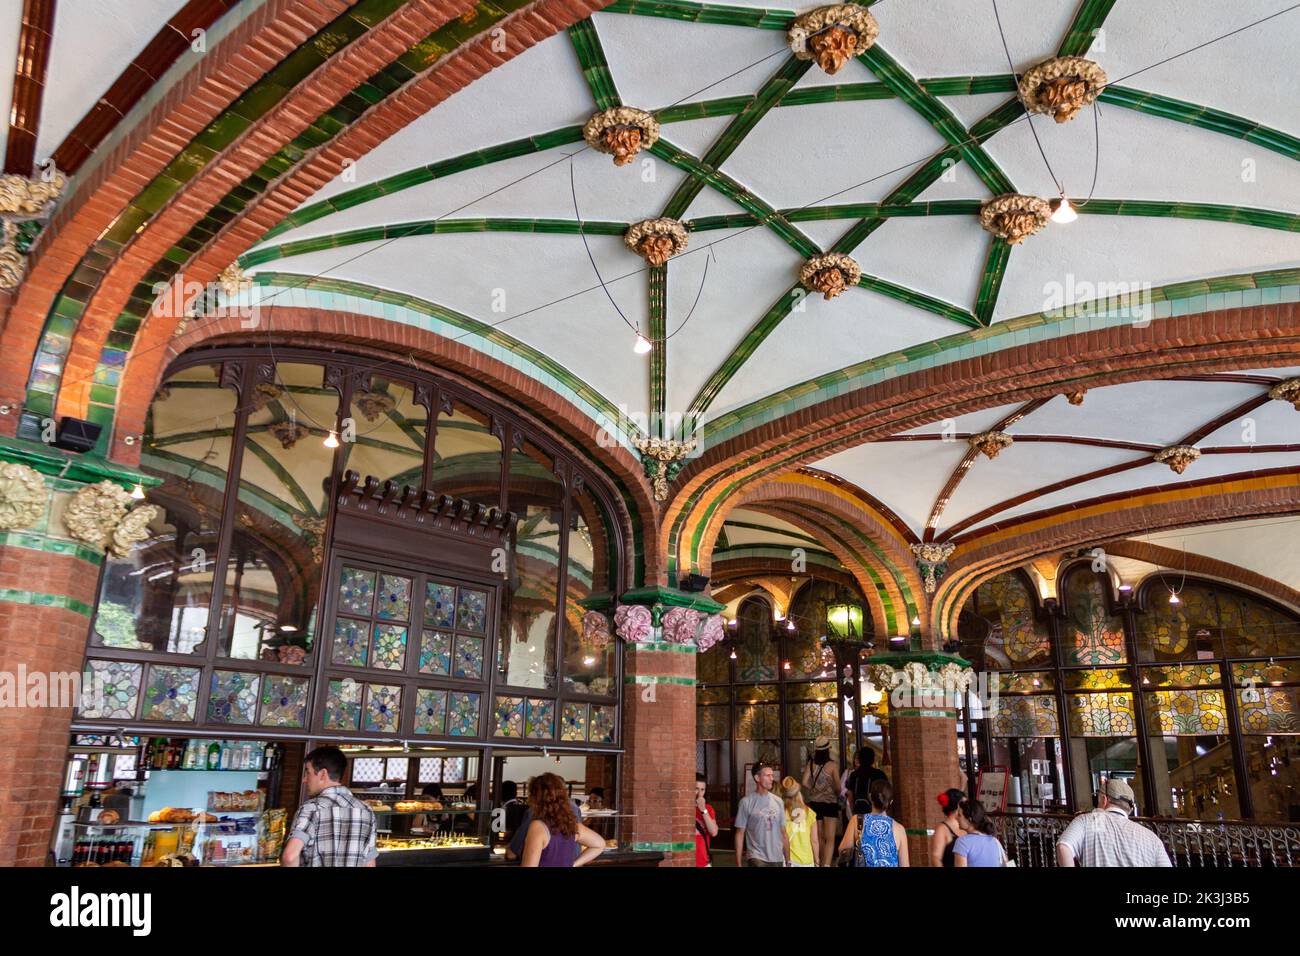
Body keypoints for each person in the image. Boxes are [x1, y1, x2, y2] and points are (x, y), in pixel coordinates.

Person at [281, 745, 377, 867]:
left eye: (308, 772)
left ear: (322, 774)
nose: (304, 780)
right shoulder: (366, 811)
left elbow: (290, 857)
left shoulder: (312, 809)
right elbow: (369, 863)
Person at [1056, 777, 1172, 867]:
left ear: (1104, 800)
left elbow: (1063, 847)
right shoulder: (1151, 838)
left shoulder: (1086, 821)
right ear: (1129, 809)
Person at [520, 772, 606, 867]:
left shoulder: (538, 827)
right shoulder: (573, 825)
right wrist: (572, 864)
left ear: (536, 798)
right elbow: (599, 844)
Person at [838, 778, 908, 867]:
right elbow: (905, 864)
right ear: (891, 802)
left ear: (870, 797)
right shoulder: (899, 829)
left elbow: (843, 851)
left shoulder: (857, 821)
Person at [735, 762, 788, 867]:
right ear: (757, 778)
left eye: (772, 775)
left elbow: (783, 833)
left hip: (777, 857)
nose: (771, 778)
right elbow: (740, 833)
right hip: (756, 857)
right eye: (767, 775)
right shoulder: (746, 802)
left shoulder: (778, 801)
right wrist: (738, 863)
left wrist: (788, 860)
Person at [801, 735, 839, 867]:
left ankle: (820, 862)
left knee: (819, 837)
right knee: (830, 838)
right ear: (828, 749)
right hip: (830, 804)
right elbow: (838, 786)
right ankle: (827, 864)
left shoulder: (811, 764)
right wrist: (832, 792)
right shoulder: (832, 765)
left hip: (815, 804)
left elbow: (804, 782)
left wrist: (814, 788)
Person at [952, 799, 1006, 867]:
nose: (956, 818)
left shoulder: (962, 842)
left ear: (969, 819)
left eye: (959, 815)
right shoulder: (995, 841)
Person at [781, 776, 819, 867]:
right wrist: (817, 859)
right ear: (799, 793)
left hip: (789, 860)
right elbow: (814, 840)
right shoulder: (810, 813)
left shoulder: (781, 813)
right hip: (806, 860)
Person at [930, 788, 966, 868]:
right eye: (964, 804)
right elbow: (935, 858)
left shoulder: (967, 825)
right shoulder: (942, 829)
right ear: (958, 806)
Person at [694, 773, 718, 867]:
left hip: (703, 862)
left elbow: (713, 832)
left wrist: (703, 810)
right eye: (696, 789)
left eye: (702, 789)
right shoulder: (682, 809)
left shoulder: (708, 809)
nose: (699, 793)